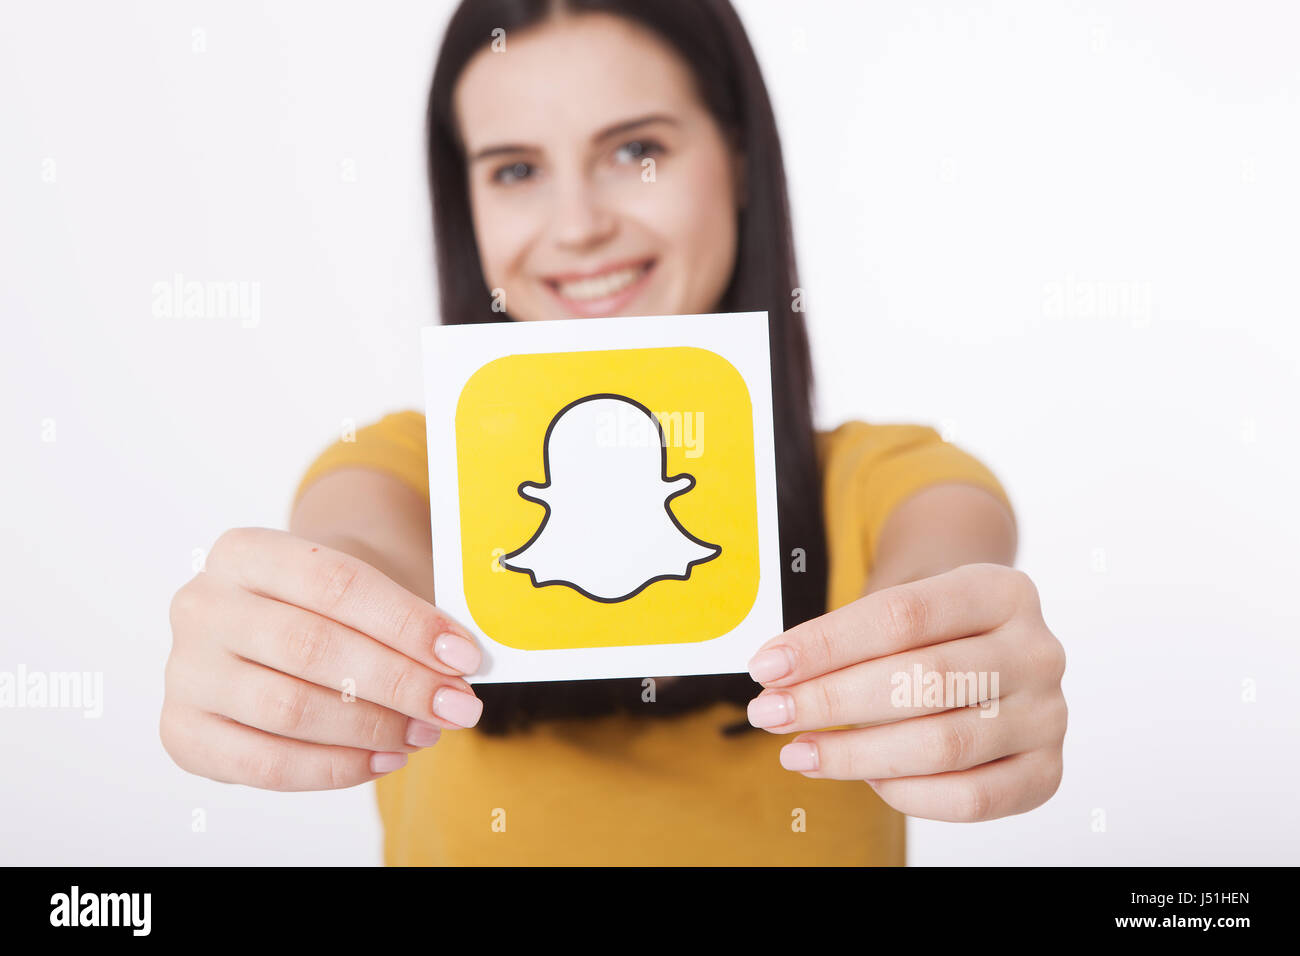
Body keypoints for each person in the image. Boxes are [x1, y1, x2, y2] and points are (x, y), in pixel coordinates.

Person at [161, 0, 1067, 865]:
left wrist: (957, 662)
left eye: (636, 150)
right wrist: (293, 631)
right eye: (515, 169)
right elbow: (356, 543)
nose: (581, 226)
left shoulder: (886, 477)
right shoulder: (398, 468)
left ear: (741, 157)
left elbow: (939, 565)